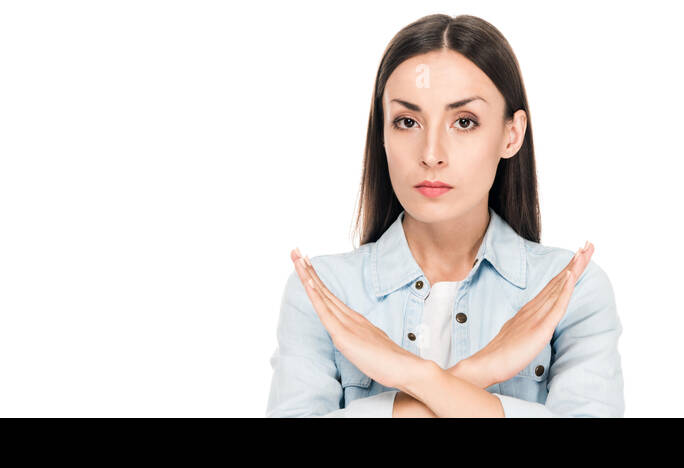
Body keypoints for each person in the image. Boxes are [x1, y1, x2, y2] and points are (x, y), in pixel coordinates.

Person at [265, 13, 624, 417]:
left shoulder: (570, 291)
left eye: (464, 122)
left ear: (512, 133)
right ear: (381, 132)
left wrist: (413, 377)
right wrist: (477, 372)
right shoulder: (323, 294)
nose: (431, 153)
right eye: (407, 121)